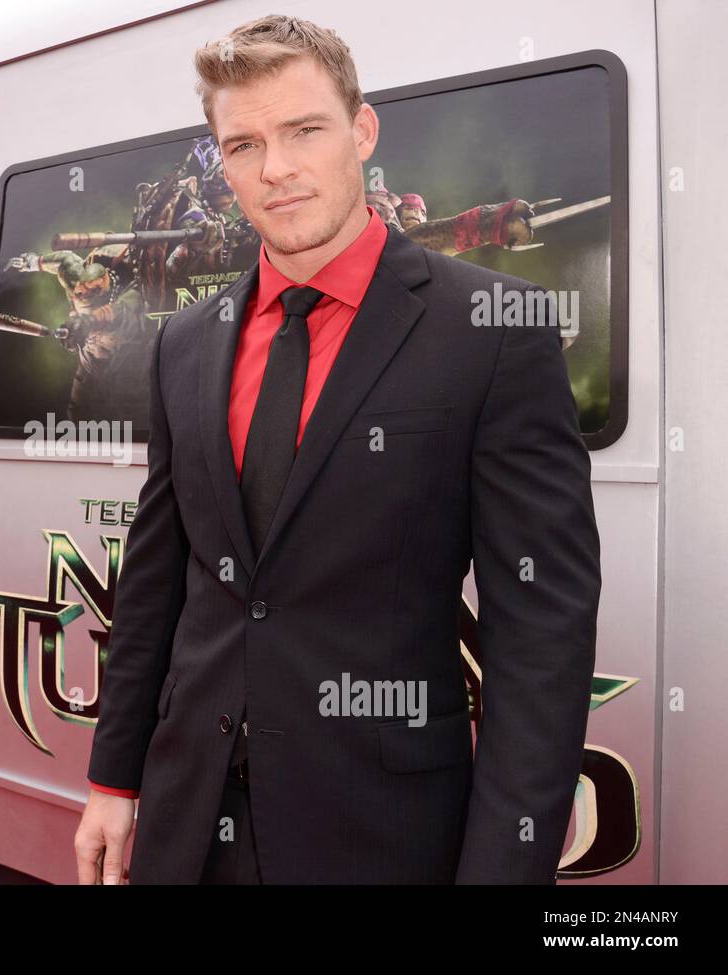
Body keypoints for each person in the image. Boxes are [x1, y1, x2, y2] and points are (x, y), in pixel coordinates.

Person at [73, 13, 600, 884]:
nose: (274, 169)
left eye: (304, 130)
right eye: (242, 145)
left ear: (362, 130)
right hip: (186, 823)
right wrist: (113, 777)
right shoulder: (187, 343)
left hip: (379, 835)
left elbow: (540, 637)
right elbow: (157, 582)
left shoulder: (494, 332)